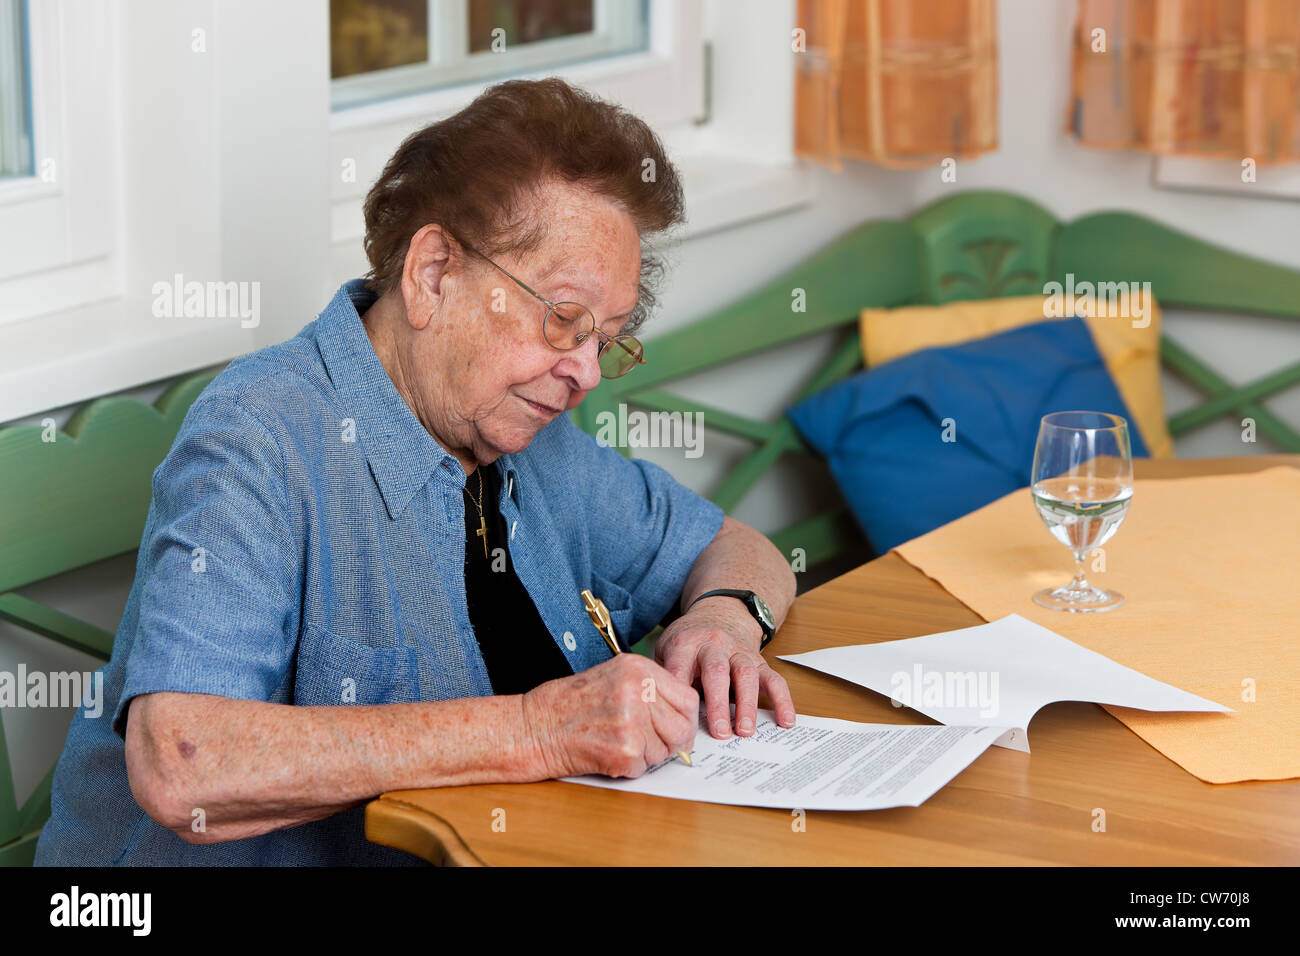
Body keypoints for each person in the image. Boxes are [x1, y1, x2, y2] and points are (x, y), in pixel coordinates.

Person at [35, 77, 796, 865]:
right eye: (564, 319)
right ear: (433, 274)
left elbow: (738, 547)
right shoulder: (259, 435)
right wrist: (541, 731)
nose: (587, 373)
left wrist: (723, 622)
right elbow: (183, 762)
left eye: (605, 338)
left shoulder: (526, 432)